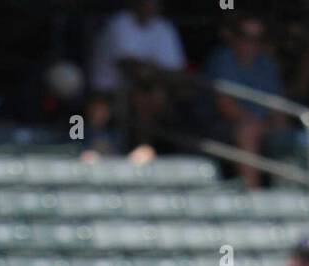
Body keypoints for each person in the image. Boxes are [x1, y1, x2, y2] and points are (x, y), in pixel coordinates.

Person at [90, 1, 187, 157]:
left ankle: (145, 148)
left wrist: (150, 72)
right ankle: (96, 144)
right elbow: (129, 67)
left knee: (155, 94)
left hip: (150, 89)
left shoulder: (164, 28)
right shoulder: (119, 23)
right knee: (143, 95)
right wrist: (151, 70)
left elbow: (175, 71)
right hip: (108, 90)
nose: (150, 5)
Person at [205, 16, 285, 190]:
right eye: (245, 36)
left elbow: (278, 106)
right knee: (247, 130)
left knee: (295, 135)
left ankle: (294, 199)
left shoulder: (266, 64)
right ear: (233, 36)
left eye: (257, 38)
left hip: (263, 126)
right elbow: (224, 105)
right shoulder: (222, 59)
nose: (250, 43)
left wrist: (276, 125)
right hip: (224, 126)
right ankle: (253, 196)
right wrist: (257, 124)